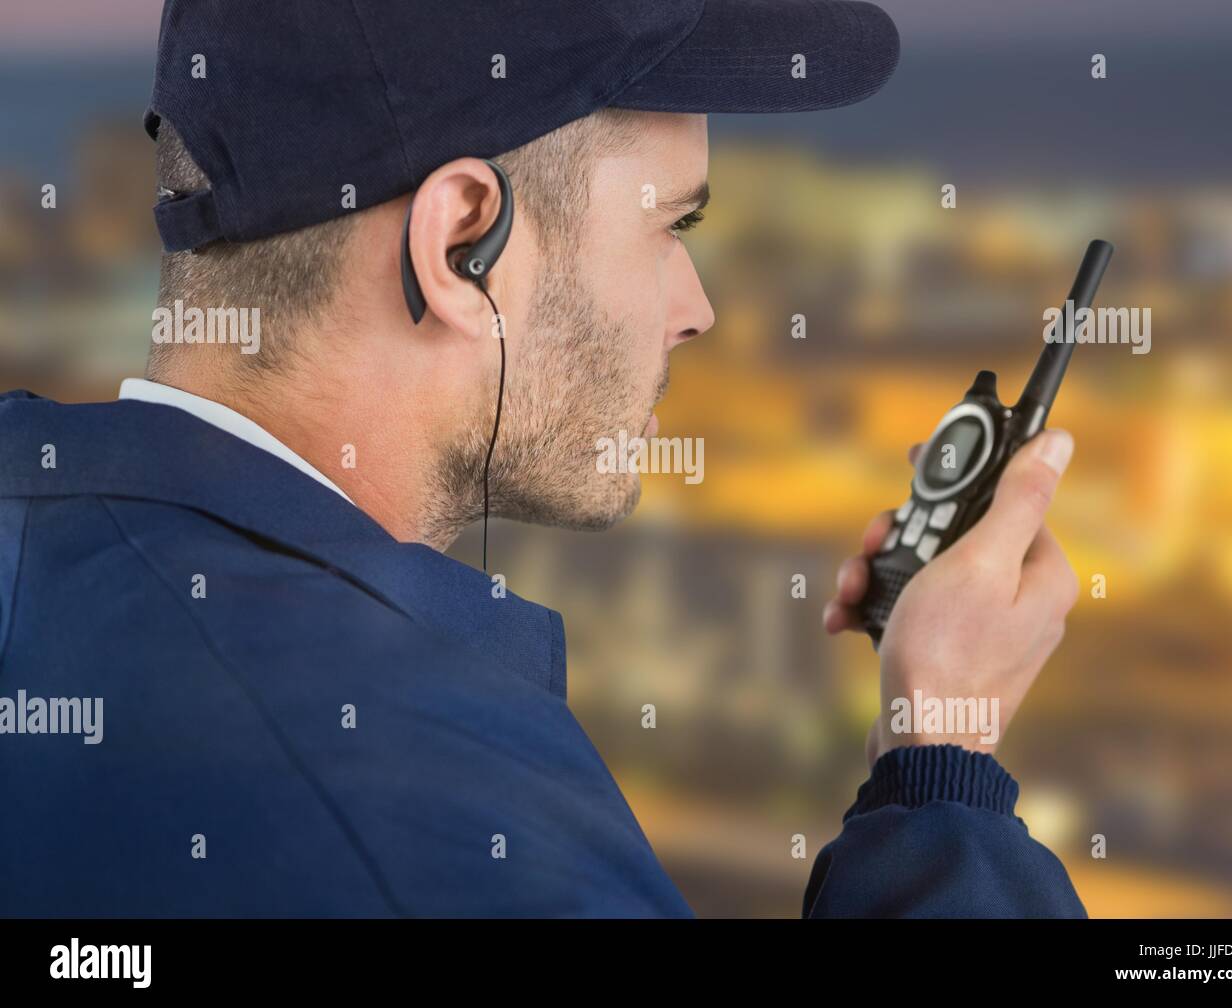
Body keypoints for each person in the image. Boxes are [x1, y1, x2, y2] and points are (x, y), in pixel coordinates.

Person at [0, 0, 1085, 917]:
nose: (693, 309)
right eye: (673, 227)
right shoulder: (456, 833)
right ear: (463, 242)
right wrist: (943, 766)